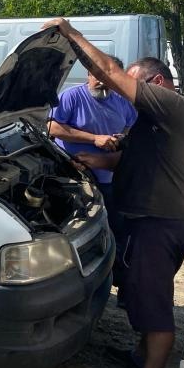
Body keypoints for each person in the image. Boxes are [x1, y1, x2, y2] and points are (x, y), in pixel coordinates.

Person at [44, 17, 184, 368]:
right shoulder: (156, 122)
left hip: (159, 223)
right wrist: (92, 160)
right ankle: (141, 357)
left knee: (153, 299)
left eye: (133, 82)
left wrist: (69, 32)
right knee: (142, 290)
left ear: (155, 84)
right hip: (155, 219)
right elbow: (131, 161)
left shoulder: (171, 107)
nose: (123, 88)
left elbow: (107, 69)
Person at [47, 60, 137, 289]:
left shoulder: (122, 101)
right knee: (78, 231)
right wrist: (93, 138)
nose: (99, 80)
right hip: (76, 178)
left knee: (116, 229)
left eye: (105, 76)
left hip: (110, 178)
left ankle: (119, 283)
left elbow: (130, 128)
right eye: (94, 75)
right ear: (87, 74)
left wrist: (120, 139)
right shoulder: (72, 96)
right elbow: (52, 127)